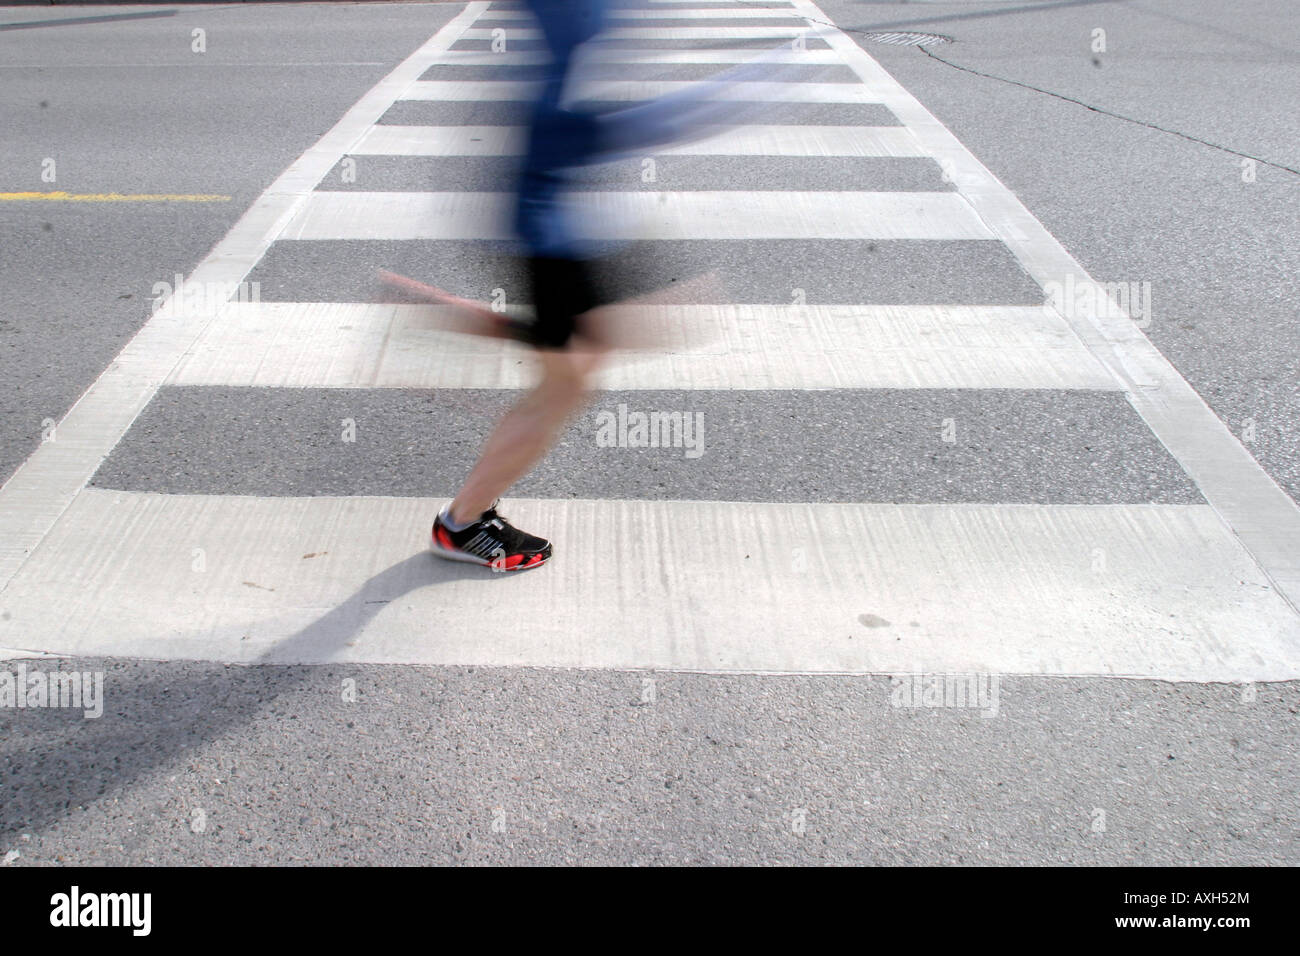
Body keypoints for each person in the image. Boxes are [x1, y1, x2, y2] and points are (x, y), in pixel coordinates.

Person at [385, 0, 800, 570]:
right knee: (571, 380)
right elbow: (584, 120)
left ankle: (455, 323)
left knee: (591, 351)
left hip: (561, 215)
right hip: (552, 225)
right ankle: (462, 523)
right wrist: (745, 88)